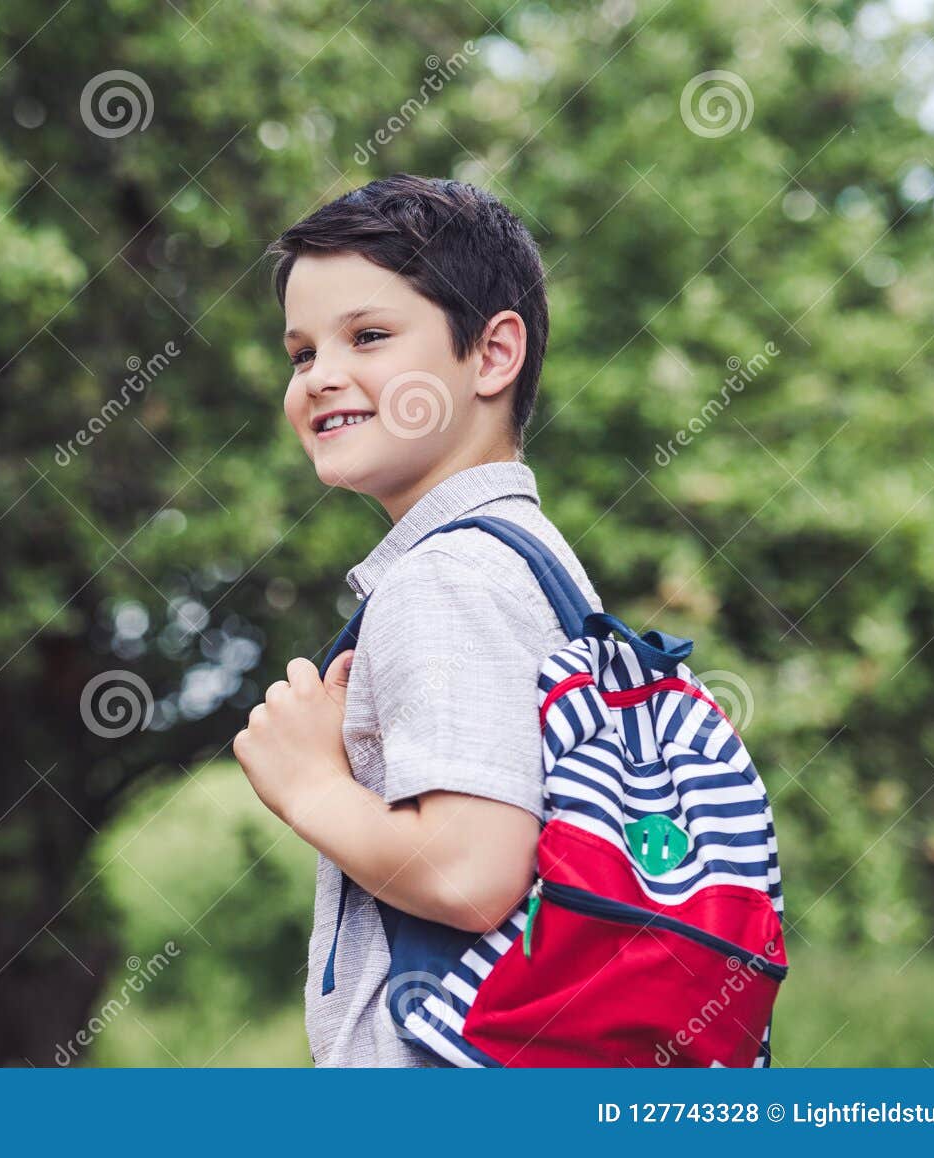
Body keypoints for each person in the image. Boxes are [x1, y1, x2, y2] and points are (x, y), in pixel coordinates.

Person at [232, 173, 603, 1066]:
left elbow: (471, 875)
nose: (322, 377)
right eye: (301, 353)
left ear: (492, 354)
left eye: (367, 336)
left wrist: (308, 785)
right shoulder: (532, 562)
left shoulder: (446, 578)